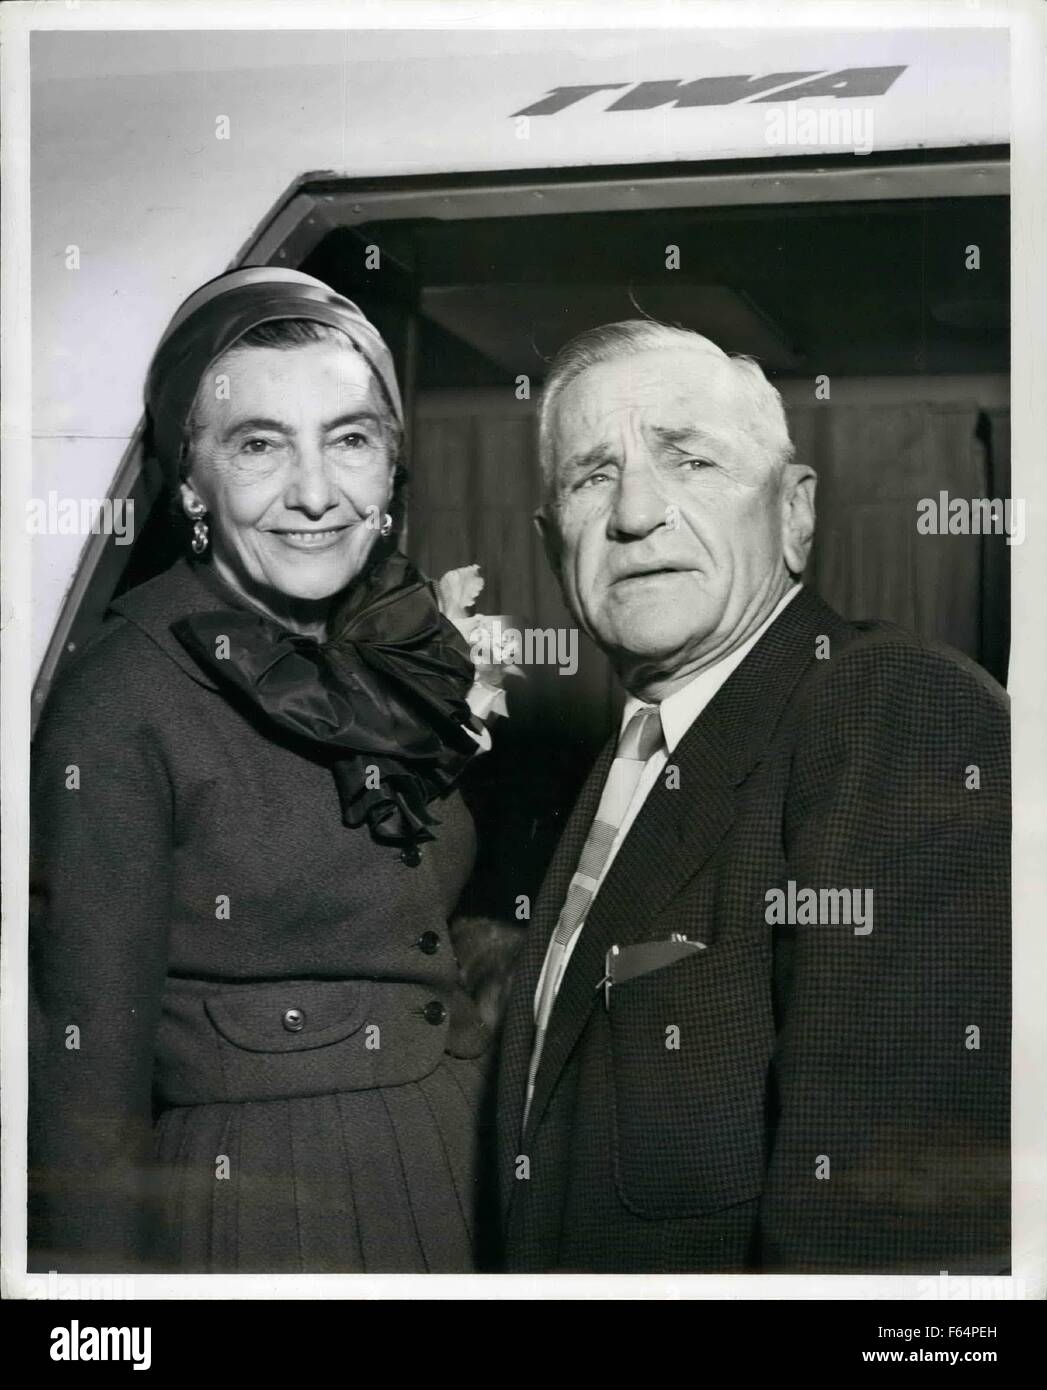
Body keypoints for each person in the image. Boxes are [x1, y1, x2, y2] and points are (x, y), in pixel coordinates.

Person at [495, 320, 1010, 1274]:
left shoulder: (891, 707)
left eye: (689, 460)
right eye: (590, 476)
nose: (636, 512)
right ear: (546, 537)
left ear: (794, 512)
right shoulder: (638, 748)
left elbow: (894, 1225)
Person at [29, 267, 502, 1274]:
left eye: (350, 437)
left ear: (390, 468)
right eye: (258, 445)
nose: (316, 492)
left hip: (454, 1170)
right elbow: (87, 1087)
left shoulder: (397, 651)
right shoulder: (122, 699)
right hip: (273, 1211)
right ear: (189, 483)